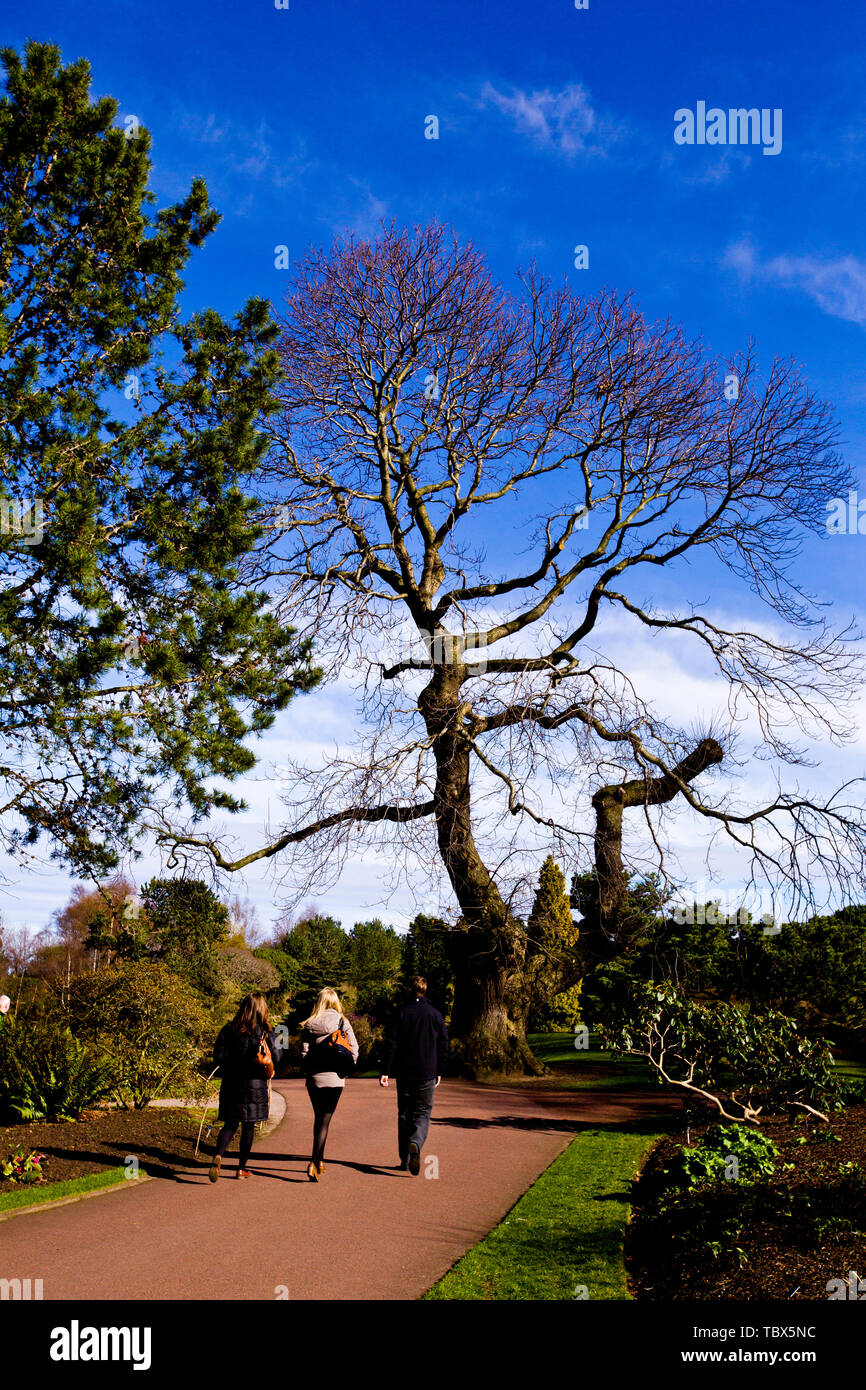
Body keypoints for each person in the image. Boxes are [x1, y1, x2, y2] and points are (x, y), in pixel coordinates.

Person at [379, 976, 448, 1175]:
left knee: (404, 1114)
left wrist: (385, 1070)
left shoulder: (401, 1013)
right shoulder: (434, 1014)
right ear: (425, 990)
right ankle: (416, 1141)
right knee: (423, 1112)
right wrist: (440, 1070)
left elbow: (391, 1043)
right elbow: (444, 1044)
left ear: (409, 990)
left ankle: (405, 1159)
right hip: (427, 1071)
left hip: (405, 1072)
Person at [210, 993, 282, 1182]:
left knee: (230, 1123)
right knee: (249, 1126)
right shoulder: (265, 1031)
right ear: (262, 1009)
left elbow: (217, 1057)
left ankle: (218, 1156)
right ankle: (241, 1168)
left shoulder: (228, 1029)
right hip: (255, 1085)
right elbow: (277, 1057)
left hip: (232, 1082)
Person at [300, 987, 359, 1182]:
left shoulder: (309, 1024)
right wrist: (347, 1067)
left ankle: (320, 1160)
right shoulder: (343, 1022)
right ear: (335, 1002)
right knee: (325, 1121)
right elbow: (354, 1049)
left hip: (315, 1077)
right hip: (335, 1078)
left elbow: (304, 1054)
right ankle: (314, 1162)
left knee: (319, 1120)